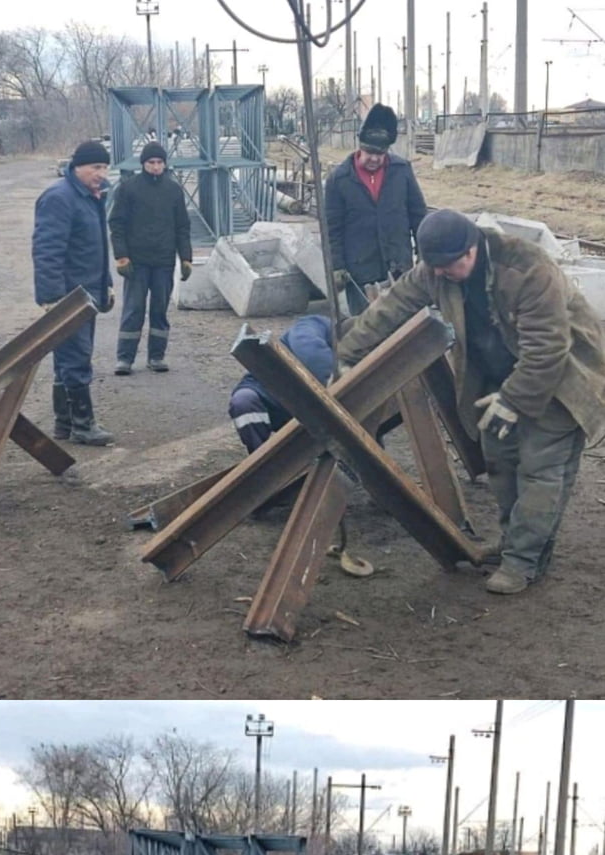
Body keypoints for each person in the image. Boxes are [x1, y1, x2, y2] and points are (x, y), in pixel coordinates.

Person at [338, 207, 605, 595]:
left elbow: (548, 350)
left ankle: (522, 561)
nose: (441, 275)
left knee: (540, 470)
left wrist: (512, 400)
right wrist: (348, 353)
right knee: (499, 459)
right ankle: (515, 541)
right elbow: (391, 307)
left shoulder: (528, 269)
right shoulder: (437, 267)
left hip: (560, 380)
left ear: (471, 250)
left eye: (448, 266)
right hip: (498, 377)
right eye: (435, 268)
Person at [33, 140, 113, 446]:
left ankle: (64, 423)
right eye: (95, 167)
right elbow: (47, 250)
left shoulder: (89, 197)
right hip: (68, 296)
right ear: (77, 166)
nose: (101, 174)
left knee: (68, 357)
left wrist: (105, 285)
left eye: (105, 167)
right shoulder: (59, 198)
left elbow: (96, 249)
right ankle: (83, 424)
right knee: (76, 358)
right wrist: (52, 298)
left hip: (88, 292)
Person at [325, 105, 426, 316]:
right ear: (360, 147)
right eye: (370, 152)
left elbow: (418, 215)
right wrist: (336, 266)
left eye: (380, 153)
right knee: (365, 331)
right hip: (360, 271)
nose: (374, 158)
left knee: (404, 328)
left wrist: (424, 253)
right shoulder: (339, 179)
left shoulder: (402, 171)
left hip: (399, 267)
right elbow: (332, 228)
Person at [110, 141, 192, 375]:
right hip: (137, 262)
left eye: (159, 162)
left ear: (165, 164)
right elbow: (117, 224)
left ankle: (156, 357)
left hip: (164, 262)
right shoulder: (128, 189)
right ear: (143, 164)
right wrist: (122, 256)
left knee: (159, 310)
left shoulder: (174, 190)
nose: (155, 167)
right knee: (134, 309)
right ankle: (124, 359)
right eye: (151, 162)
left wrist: (185, 257)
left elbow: (182, 227)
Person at [229, 311, 334, 453]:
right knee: (244, 401)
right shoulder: (314, 324)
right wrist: (333, 384)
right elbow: (311, 353)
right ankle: (259, 459)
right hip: (273, 395)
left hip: (308, 405)